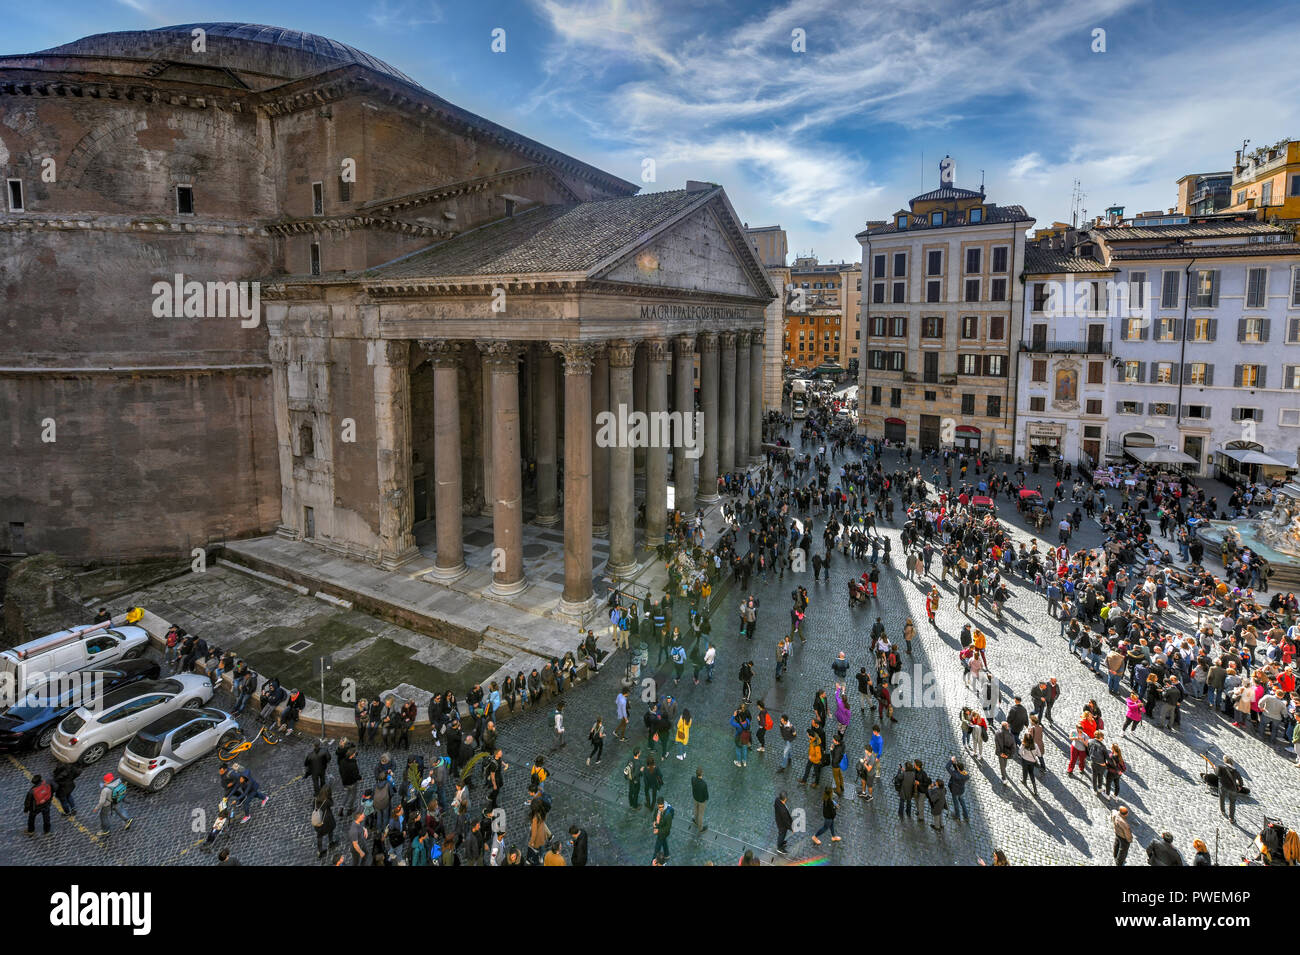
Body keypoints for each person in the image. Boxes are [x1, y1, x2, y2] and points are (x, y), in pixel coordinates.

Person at [96, 772, 133, 838]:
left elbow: (102, 802)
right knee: (119, 810)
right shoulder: (119, 781)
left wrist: (97, 808)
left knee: (104, 816)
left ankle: (105, 831)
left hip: (108, 804)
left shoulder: (105, 790)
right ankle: (128, 819)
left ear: (106, 781)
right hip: (117, 800)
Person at [311, 782, 338, 858]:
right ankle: (331, 842)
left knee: (319, 836)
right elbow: (332, 803)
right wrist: (329, 797)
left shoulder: (315, 800)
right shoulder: (327, 801)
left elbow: (314, 808)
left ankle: (320, 851)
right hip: (326, 821)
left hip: (317, 821)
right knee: (330, 830)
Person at [1217, 755, 1244, 823]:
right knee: (1232, 803)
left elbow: (1217, 774)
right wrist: (1240, 786)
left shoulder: (1221, 767)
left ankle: (1222, 811)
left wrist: (1215, 769)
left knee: (1222, 798)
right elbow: (1240, 781)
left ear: (1224, 761)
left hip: (1223, 786)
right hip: (1232, 788)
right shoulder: (1235, 771)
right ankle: (1231, 818)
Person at [691, 767, 709, 833]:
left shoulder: (693, 779)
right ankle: (700, 828)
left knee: (696, 810)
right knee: (701, 814)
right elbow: (706, 794)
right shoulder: (704, 784)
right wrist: (706, 799)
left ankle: (695, 821)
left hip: (695, 798)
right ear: (702, 774)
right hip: (701, 801)